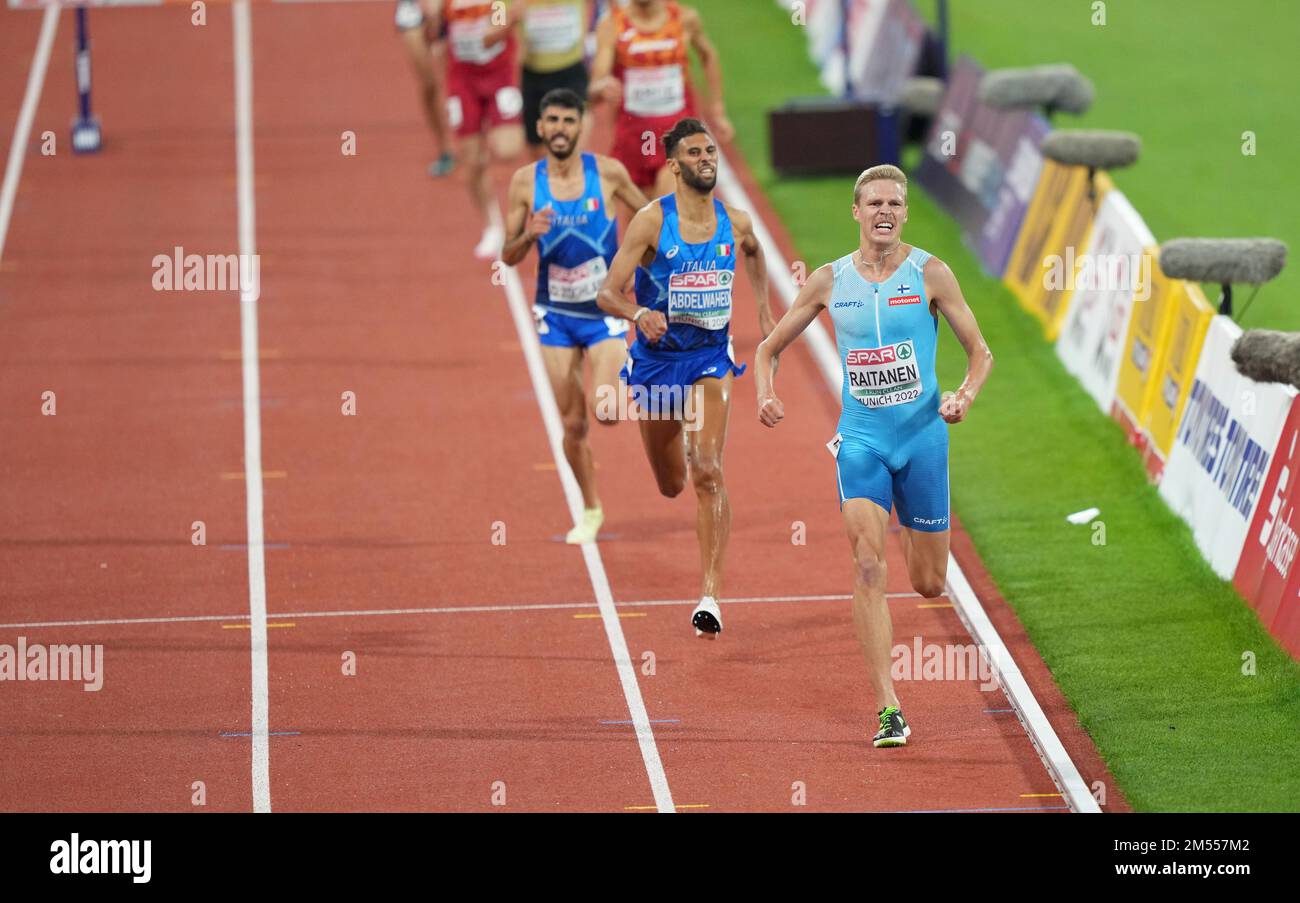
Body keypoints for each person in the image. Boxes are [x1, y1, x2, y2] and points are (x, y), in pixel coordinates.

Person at [754, 164, 993, 748]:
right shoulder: (829, 281)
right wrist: (766, 392)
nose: (884, 211)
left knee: (930, 583)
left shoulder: (930, 273)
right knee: (866, 564)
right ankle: (889, 708)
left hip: (922, 439)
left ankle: (914, 520)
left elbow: (981, 352)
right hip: (860, 439)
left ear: (905, 213)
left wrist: (963, 396)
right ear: (856, 212)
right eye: (874, 203)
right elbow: (768, 348)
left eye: (894, 203)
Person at [596, 118, 772, 638]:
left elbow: (757, 253)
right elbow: (608, 291)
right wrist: (636, 315)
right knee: (672, 483)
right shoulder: (652, 223)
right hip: (656, 364)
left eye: (711, 151)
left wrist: (764, 313)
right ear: (673, 165)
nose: (707, 159)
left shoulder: (735, 222)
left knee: (707, 469)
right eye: (694, 153)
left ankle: (711, 597)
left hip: (710, 360)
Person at [502, 89, 650, 543]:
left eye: (570, 121)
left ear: (581, 125)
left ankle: (661, 402)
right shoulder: (526, 182)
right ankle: (590, 508)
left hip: (601, 312)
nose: (561, 129)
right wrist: (529, 234)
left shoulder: (607, 172)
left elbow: (650, 219)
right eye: (553, 121)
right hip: (556, 315)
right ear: (541, 127)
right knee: (573, 423)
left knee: (605, 411)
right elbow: (508, 256)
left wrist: (653, 270)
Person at [588, 0, 734, 197]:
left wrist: (717, 109)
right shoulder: (612, 24)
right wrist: (602, 88)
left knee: (668, 206)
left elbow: (708, 56)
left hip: (677, 133)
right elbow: (597, 83)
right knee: (642, 216)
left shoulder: (683, 18)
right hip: (635, 137)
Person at [429, 0, 526, 258]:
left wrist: (500, 28)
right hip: (462, 79)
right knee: (471, 160)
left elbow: (515, 12)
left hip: (499, 74)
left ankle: (487, 151)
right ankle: (492, 226)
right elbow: (433, 28)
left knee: (508, 149)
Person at [519, 0, 593, 160]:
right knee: (540, 157)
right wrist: (507, 19)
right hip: (534, 76)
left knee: (569, 153)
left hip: (570, 71)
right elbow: (496, 20)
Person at [395, 0, 456, 177]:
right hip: (413, 9)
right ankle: (446, 149)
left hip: (449, 5)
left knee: (457, 76)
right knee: (429, 84)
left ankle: (473, 136)